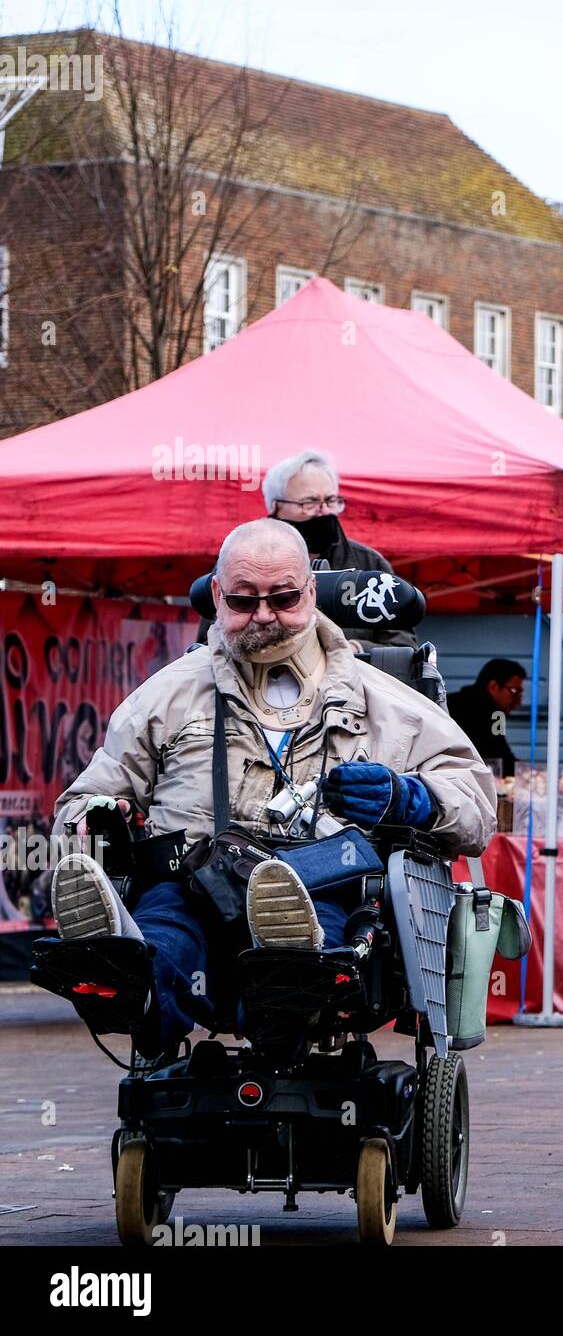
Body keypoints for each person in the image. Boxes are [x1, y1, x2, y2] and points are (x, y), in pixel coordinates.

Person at [48, 518, 495, 1056]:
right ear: (216, 595)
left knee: (310, 936)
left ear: (311, 592)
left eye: (283, 598)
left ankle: (281, 999)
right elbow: (81, 800)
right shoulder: (165, 696)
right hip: (192, 882)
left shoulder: (387, 701)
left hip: (323, 884)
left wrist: (409, 797)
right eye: (243, 601)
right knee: (165, 936)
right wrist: (94, 817)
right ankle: (126, 979)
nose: (264, 616)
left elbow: (476, 803)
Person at [197, 447, 417, 650]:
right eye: (309, 503)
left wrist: (355, 650)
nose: (323, 512)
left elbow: (402, 644)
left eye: (331, 501)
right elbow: (209, 643)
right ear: (276, 506)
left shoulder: (368, 564)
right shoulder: (237, 561)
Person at [448, 660, 527, 777]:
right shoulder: (494, 714)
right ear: (493, 686)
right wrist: (527, 775)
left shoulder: (450, 702)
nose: (519, 702)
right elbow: (502, 758)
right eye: (514, 692)